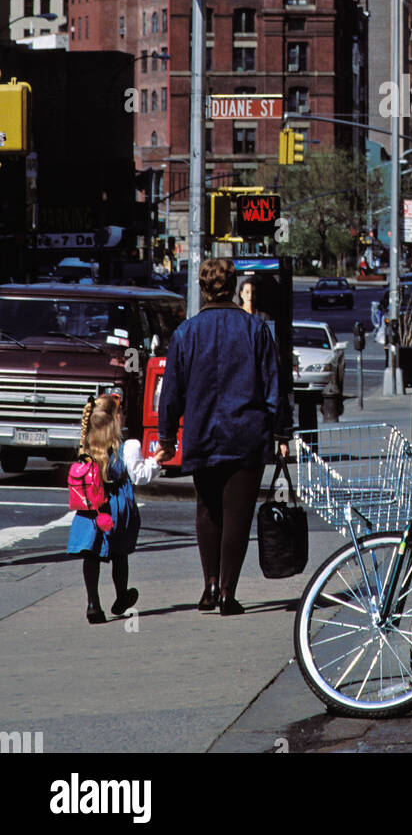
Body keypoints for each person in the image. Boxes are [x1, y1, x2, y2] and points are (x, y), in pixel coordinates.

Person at [158, 257, 280, 616]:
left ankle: (209, 586)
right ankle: (228, 592)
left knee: (208, 511)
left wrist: (167, 439)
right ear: (233, 285)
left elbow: (172, 393)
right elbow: (273, 385)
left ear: (202, 288)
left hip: (202, 433)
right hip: (246, 434)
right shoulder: (256, 330)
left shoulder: (185, 333)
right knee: (237, 516)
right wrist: (282, 432)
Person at [67, 392, 163, 624]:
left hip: (91, 509)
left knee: (91, 554)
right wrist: (157, 459)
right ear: (115, 418)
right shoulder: (128, 446)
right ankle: (121, 595)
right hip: (117, 510)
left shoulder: (85, 446)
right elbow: (139, 476)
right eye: (120, 412)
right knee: (120, 555)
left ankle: (93, 603)